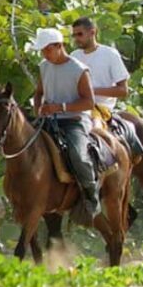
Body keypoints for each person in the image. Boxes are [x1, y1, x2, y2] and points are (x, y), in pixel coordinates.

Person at [32, 28, 100, 217]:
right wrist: (38, 110)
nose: (45, 54)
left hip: (74, 121)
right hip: (48, 120)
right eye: (42, 51)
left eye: (48, 49)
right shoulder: (44, 66)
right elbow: (38, 93)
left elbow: (89, 102)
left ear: (59, 46)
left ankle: (91, 195)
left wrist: (60, 107)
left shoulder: (78, 70)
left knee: (78, 156)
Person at [69, 17, 130, 116]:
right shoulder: (73, 56)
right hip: (76, 107)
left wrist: (91, 91)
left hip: (101, 108)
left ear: (92, 32)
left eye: (80, 34)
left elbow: (123, 91)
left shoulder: (110, 54)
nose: (76, 39)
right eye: (74, 35)